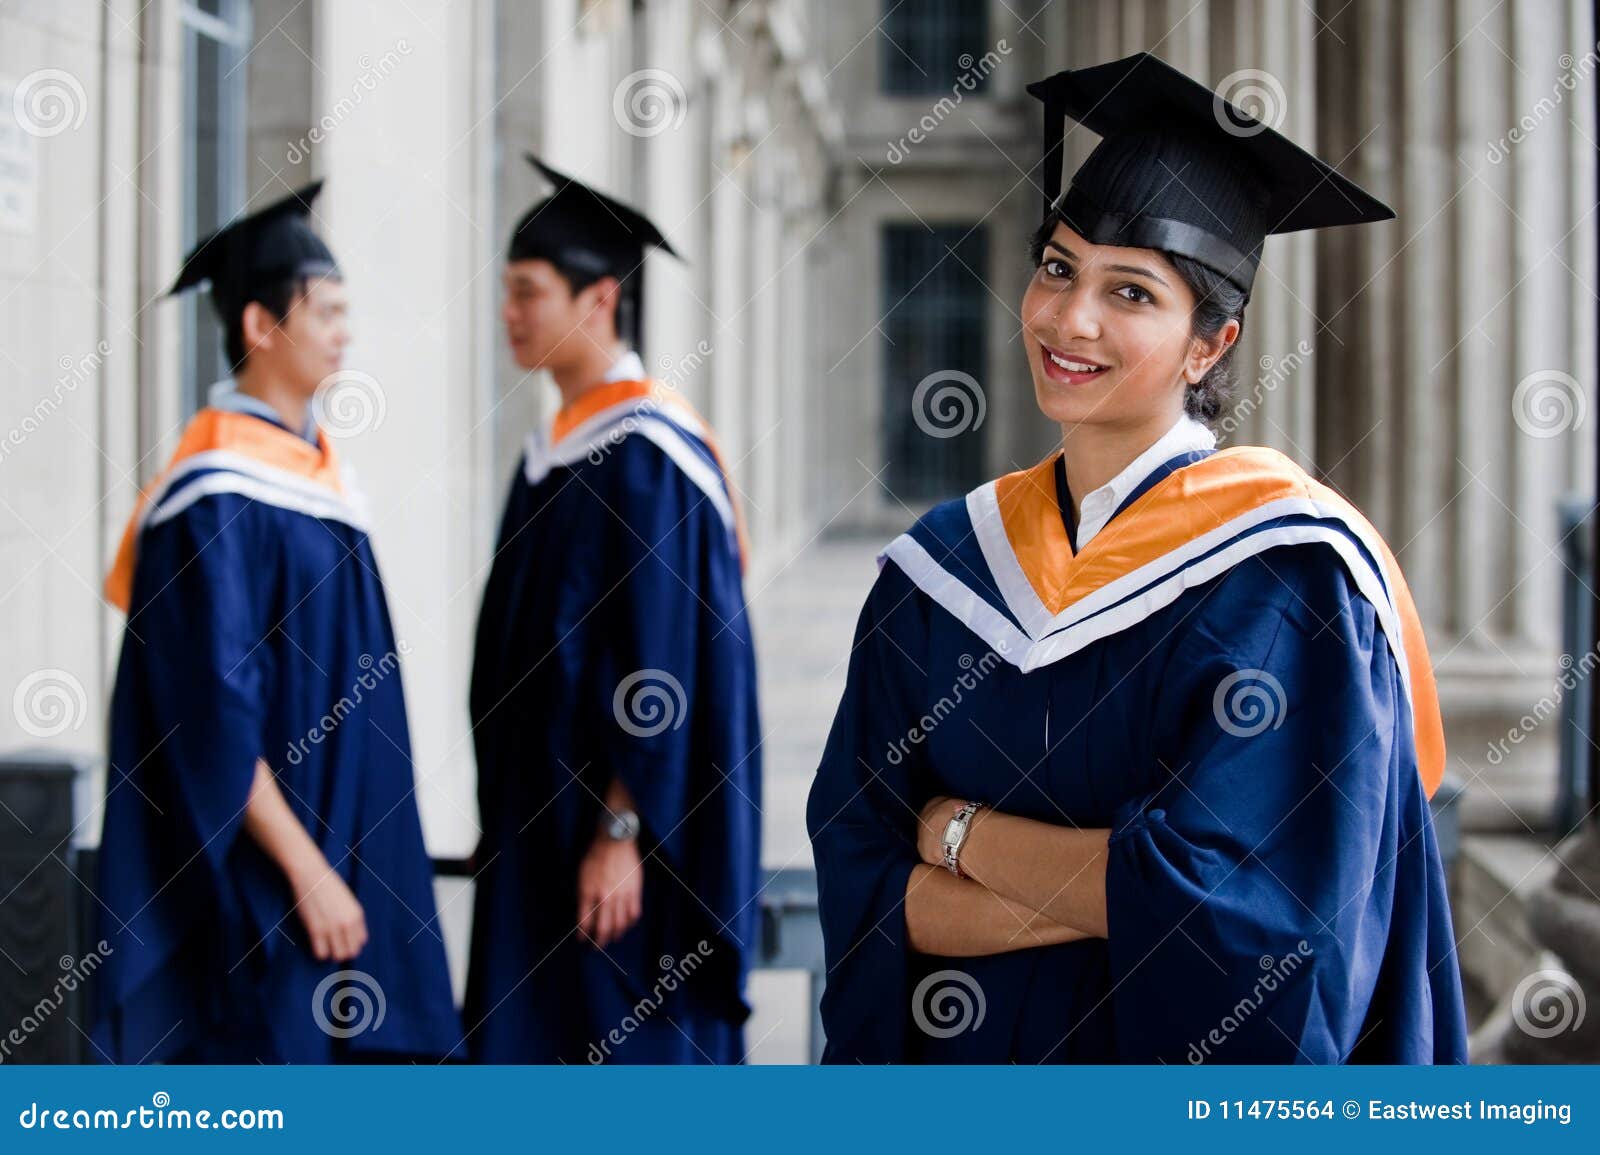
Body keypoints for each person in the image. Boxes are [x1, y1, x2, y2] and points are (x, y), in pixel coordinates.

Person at [807, 53, 1469, 1064]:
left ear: (1209, 345)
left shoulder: (1286, 583)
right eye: (1057, 268)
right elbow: (858, 873)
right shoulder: (939, 572)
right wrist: (1122, 888)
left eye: (1131, 292)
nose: (1069, 320)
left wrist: (958, 839)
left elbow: (1251, 924)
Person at [94, 184, 461, 1063]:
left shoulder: (314, 481)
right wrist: (308, 872)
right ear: (260, 325)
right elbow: (212, 719)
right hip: (271, 897)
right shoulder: (212, 498)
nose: (346, 332)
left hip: (348, 878)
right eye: (325, 311)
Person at [463, 157, 761, 1063]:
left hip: (618, 853)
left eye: (529, 292)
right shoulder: (552, 452)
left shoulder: (648, 458)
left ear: (598, 300)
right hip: (536, 836)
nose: (510, 314)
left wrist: (623, 830)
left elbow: (660, 667)